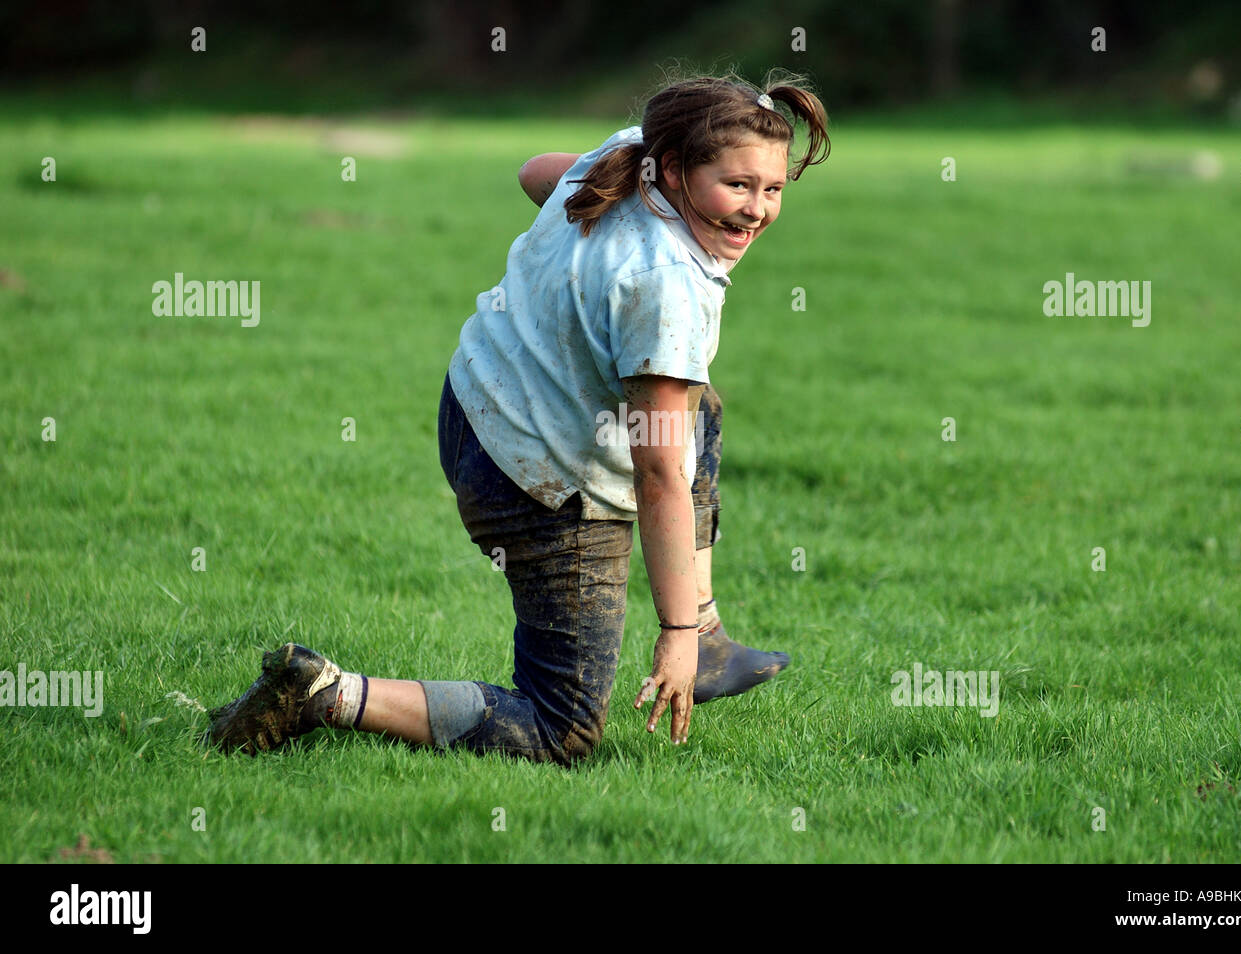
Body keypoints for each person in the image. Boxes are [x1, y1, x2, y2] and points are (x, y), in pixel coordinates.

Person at [206, 70, 831, 765]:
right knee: (558, 730)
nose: (755, 211)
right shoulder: (665, 289)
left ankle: (711, 634)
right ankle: (325, 692)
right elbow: (658, 479)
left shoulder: (629, 157)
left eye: (771, 189)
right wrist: (674, 633)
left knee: (698, 410)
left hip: (474, 405)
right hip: (538, 489)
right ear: (678, 171)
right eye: (737, 186)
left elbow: (537, 175)